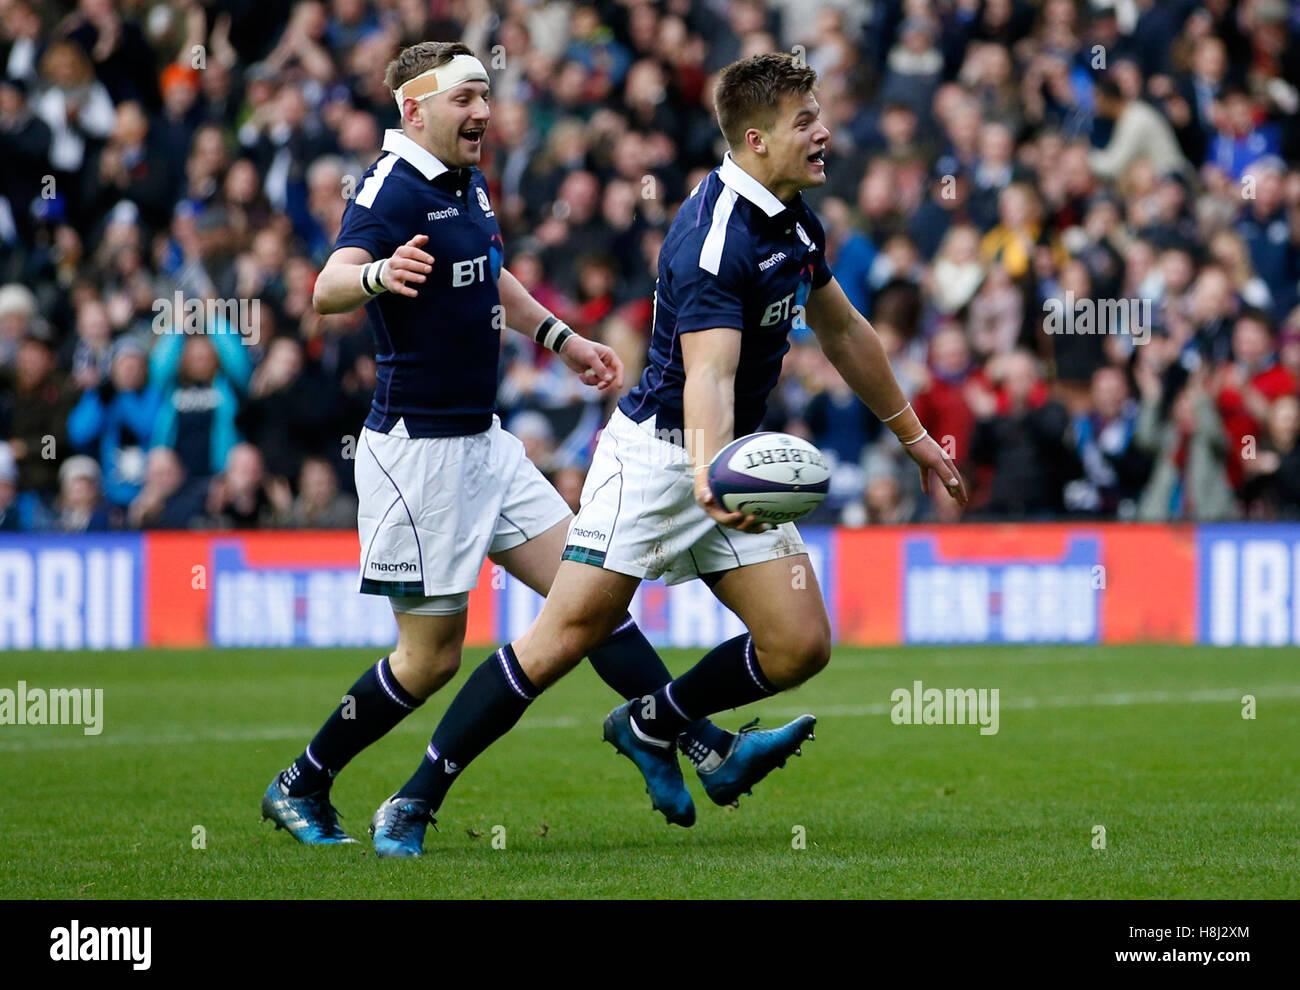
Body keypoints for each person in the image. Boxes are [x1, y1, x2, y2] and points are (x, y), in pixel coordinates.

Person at [367, 53, 966, 858]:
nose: (824, 133)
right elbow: (709, 378)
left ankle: (653, 724)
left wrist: (914, 436)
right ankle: (413, 800)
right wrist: (711, 474)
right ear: (755, 139)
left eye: (819, 115)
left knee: (800, 645)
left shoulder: (790, 218)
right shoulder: (715, 238)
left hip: (724, 457)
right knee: (561, 640)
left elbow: (845, 329)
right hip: (658, 460)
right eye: (804, 122)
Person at [261, 41, 756, 846]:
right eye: (464, 98)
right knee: (429, 662)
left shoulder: (467, 182)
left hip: (487, 445)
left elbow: (490, 275)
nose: (482, 112)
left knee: (589, 598)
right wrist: (380, 275)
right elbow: (325, 287)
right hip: (419, 456)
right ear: (414, 110)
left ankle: (691, 740)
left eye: (485, 94)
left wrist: (562, 338)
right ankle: (302, 782)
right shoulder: (390, 187)